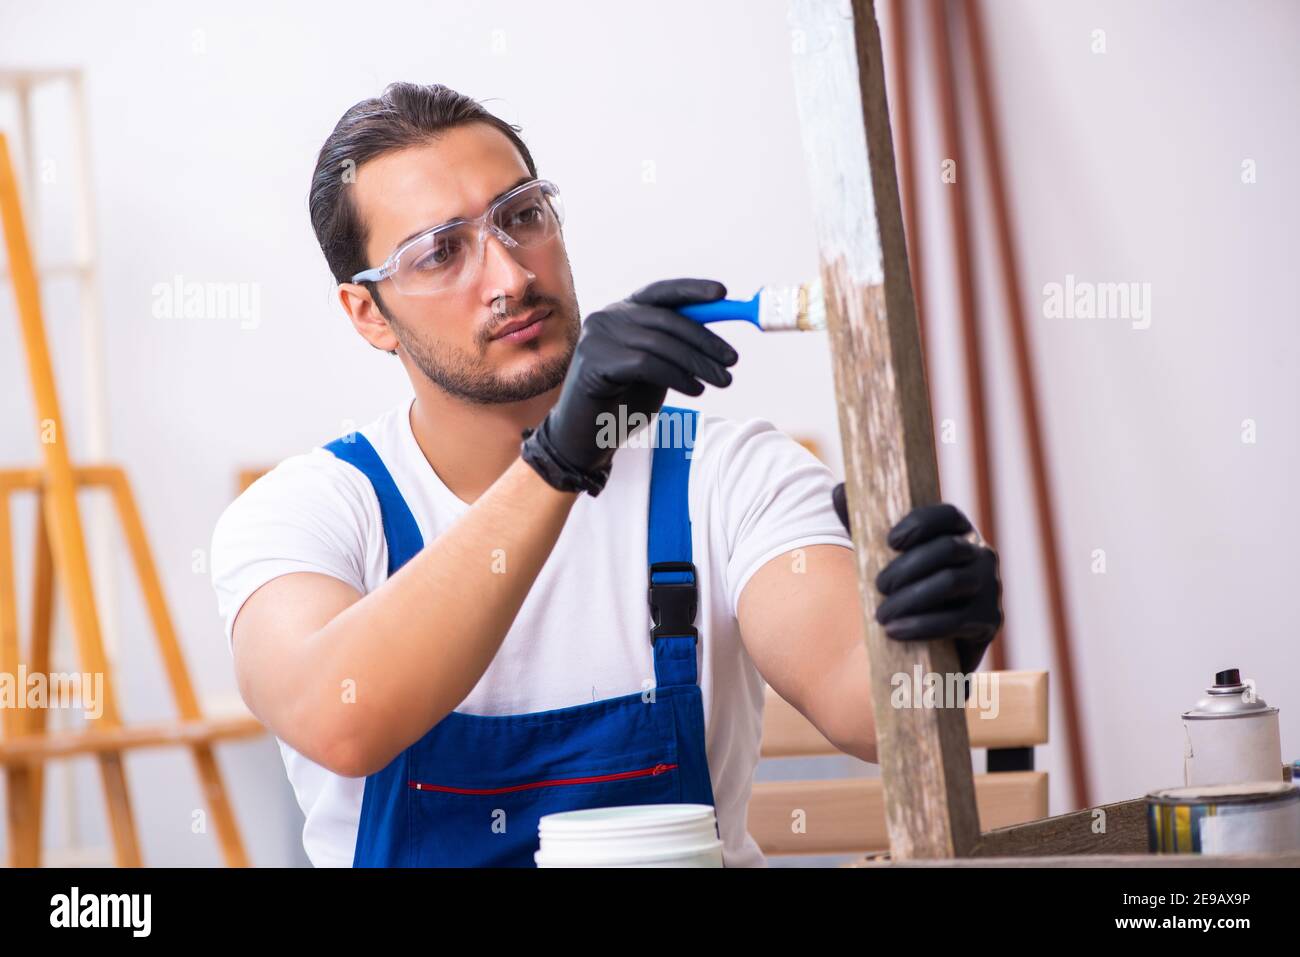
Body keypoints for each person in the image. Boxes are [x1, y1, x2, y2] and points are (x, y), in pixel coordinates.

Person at [209, 82, 1002, 867]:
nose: (511, 277)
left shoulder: (724, 477)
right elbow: (342, 718)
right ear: (368, 314)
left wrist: (931, 640)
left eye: (521, 216)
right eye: (441, 251)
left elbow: (864, 708)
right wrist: (560, 458)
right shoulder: (306, 511)